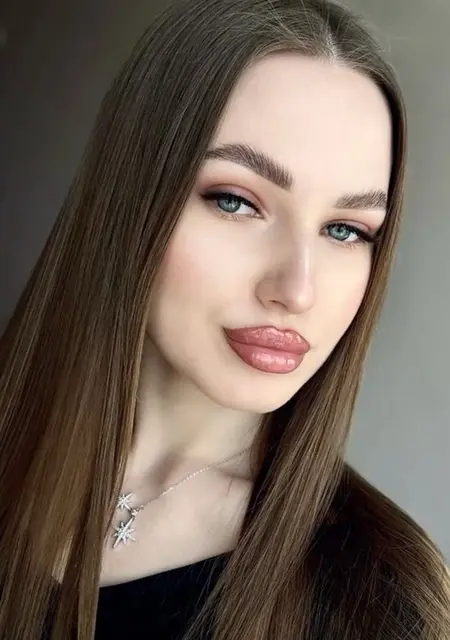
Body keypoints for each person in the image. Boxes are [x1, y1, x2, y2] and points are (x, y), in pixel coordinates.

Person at [0, 0, 449, 638]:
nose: (296, 290)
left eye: (345, 230)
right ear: (132, 196)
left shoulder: (382, 602)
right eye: (236, 202)